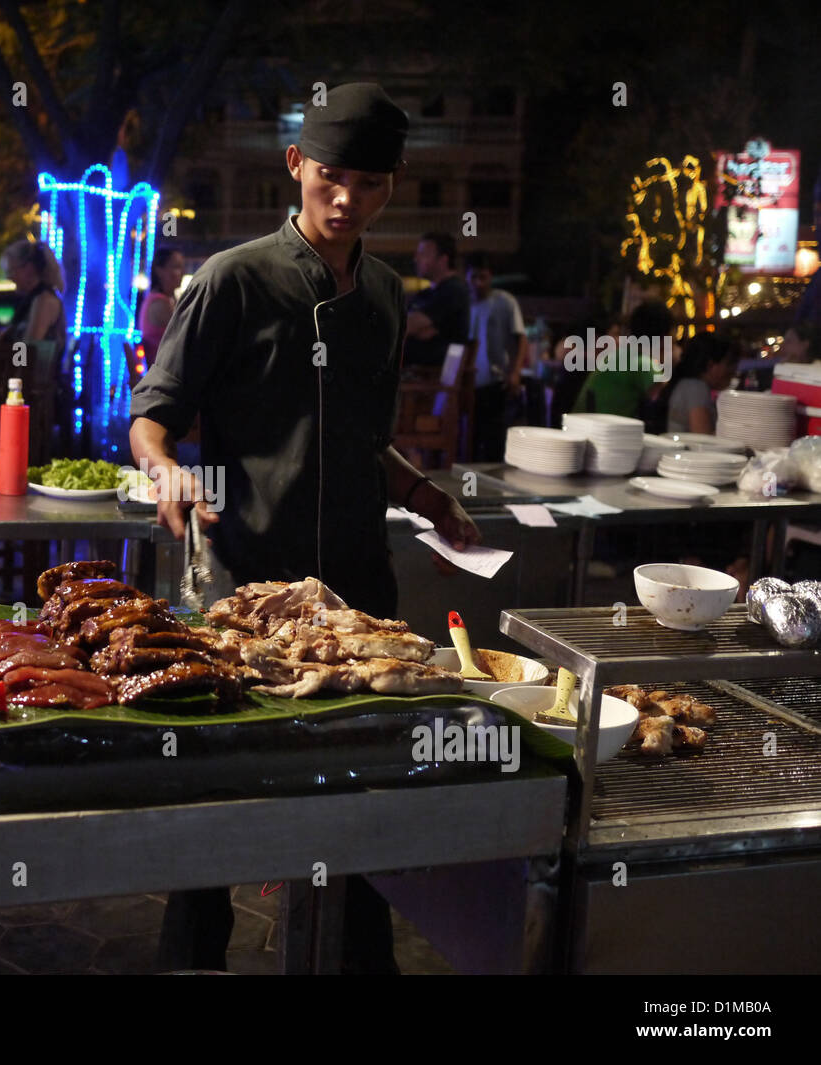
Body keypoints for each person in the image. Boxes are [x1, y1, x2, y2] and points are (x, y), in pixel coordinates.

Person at [130, 82, 481, 974]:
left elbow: (367, 442)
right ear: (296, 166)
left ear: (391, 187)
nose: (346, 199)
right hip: (246, 587)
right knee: (216, 796)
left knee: (358, 796)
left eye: (368, 182)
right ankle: (193, 959)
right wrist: (167, 468)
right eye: (330, 176)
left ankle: (356, 961)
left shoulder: (388, 296)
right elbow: (152, 416)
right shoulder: (231, 280)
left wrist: (428, 495)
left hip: (360, 594)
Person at [466, 250, 527, 460]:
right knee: (470, 442)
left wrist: (515, 373)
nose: (478, 283)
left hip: (496, 381)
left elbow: (520, 338)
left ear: (490, 276)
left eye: (483, 277)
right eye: (473, 277)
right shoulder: (464, 305)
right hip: (469, 384)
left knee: (495, 441)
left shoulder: (505, 302)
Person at [573, 301, 673, 420]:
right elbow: (666, 402)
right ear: (663, 337)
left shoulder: (618, 354)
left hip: (581, 425)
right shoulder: (642, 363)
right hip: (602, 431)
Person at [402, 231, 469, 369]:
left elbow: (405, 326)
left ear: (443, 260)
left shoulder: (453, 290)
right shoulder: (425, 293)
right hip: (412, 373)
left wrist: (412, 328)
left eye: (423, 254)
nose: (416, 259)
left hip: (434, 378)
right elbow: (403, 324)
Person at [659, 332, 738, 434]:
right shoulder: (696, 389)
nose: (734, 370)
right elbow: (703, 438)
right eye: (729, 363)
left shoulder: (687, 384)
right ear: (711, 365)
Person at [0, 239, 66, 349]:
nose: (8, 278)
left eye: (11, 271)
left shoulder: (44, 301)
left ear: (28, 269)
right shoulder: (34, 299)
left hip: (37, 366)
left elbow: (27, 351)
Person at [137, 246, 185, 368]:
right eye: (176, 267)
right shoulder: (159, 303)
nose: (182, 272)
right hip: (165, 373)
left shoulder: (163, 300)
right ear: (160, 271)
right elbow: (186, 335)